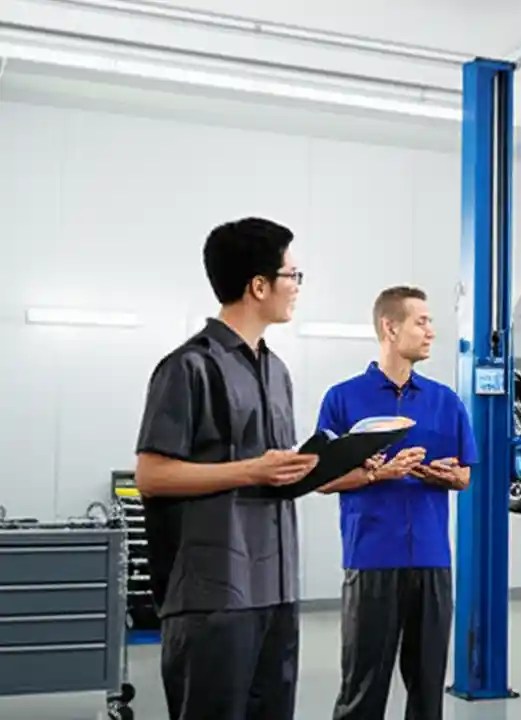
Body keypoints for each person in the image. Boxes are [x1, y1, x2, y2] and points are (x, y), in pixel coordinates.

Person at [133, 217, 318, 720]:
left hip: (276, 590)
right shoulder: (187, 367)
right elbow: (151, 476)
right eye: (292, 276)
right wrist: (251, 471)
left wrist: (351, 468)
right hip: (212, 595)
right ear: (258, 285)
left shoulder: (276, 372)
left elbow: (275, 471)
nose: (298, 288)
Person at [318, 285, 477, 720]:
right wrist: (378, 473)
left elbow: (465, 475)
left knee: (428, 690)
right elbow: (322, 478)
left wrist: (446, 476)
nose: (431, 331)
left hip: (431, 561)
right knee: (363, 688)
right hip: (371, 559)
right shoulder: (342, 399)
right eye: (421, 321)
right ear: (390, 327)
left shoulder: (447, 402)